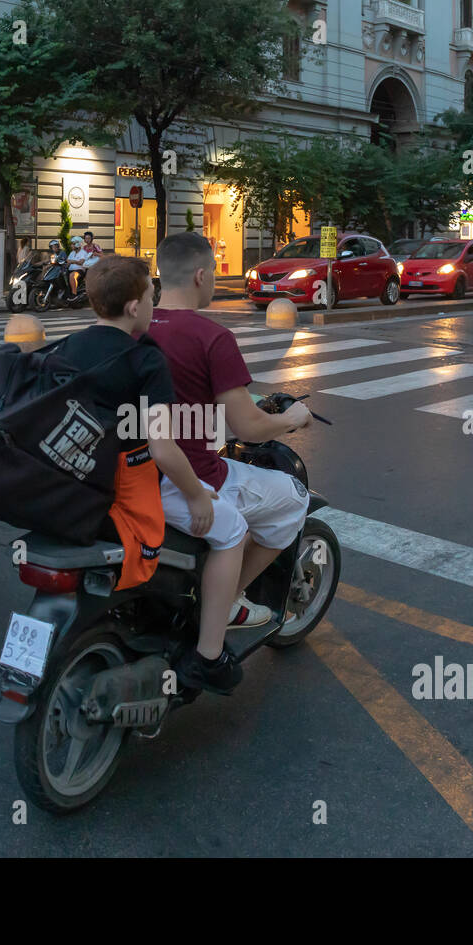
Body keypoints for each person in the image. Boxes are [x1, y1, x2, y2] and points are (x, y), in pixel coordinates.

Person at [146, 232, 313, 694]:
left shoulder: (136, 325)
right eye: (215, 271)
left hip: (134, 476)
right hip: (190, 477)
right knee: (292, 500)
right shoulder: (211, 336)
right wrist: (291, 418)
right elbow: (249, 429)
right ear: (201, 275)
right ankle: (222, 614)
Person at [53, 256, 216, 594]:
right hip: (123, 495)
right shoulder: (146, 358)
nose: (152, 304)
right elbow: (163, 448)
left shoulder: (67, 347)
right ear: (132, 307)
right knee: (231, 533)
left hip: (73, 488)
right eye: (148, 297)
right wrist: (198, 496)